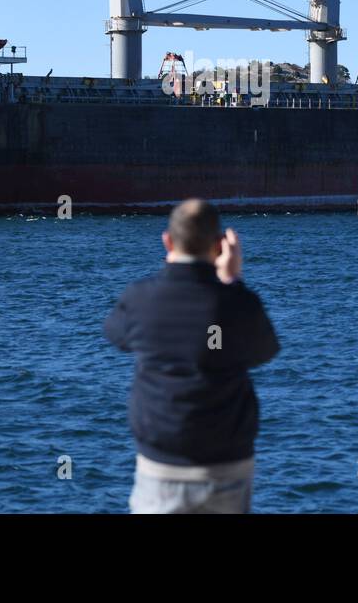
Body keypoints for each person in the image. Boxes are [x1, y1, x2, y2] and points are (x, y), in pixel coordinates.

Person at [104, 198, 279, 513]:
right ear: (219, 246)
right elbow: (264, 350)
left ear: (167, 241)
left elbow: (117, 336)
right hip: (227, 463)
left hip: (161, 465)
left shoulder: (140, 298)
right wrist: (231, 281)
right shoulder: (238, 302)